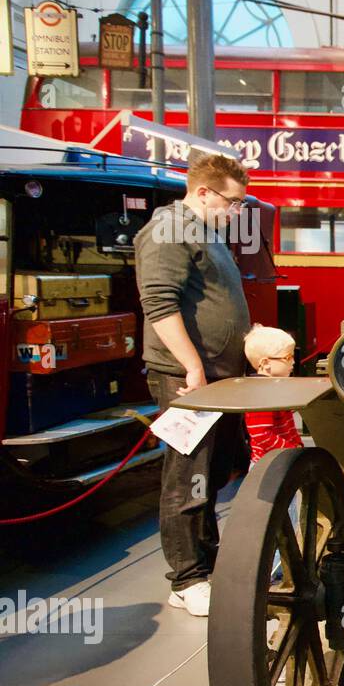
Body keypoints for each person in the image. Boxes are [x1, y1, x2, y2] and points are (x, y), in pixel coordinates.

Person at [135, 152, 252, 617]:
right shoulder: (168, 231)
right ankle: (187, 578)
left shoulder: (203, 232)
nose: (236, 212)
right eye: (232, 202)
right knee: (188, 477)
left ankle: (208, 563)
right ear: (203, 192)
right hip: (188, 380)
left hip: (214, 378)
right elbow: (158, 304)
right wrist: (192, 368)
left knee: (212, 470)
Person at [242, 325, 303, 462]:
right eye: (288, 358)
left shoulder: (274, 389)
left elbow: (289, 426)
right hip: (267, 465)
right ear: (265, 363)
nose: (293, 362)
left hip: (281, 458)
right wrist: (290, 450)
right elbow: (261, 434)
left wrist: (297, 445)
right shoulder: (260, 394)